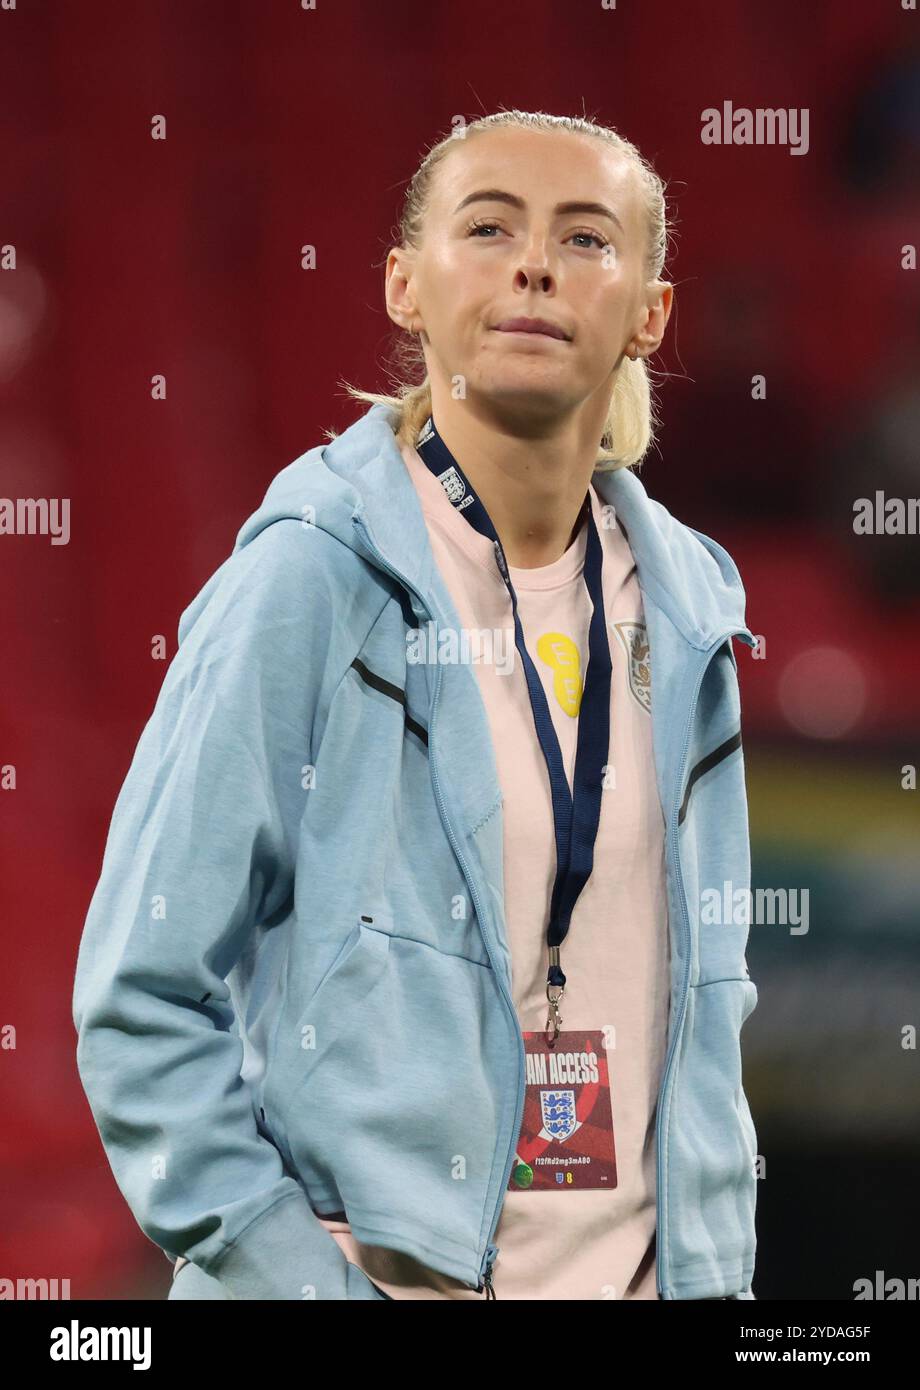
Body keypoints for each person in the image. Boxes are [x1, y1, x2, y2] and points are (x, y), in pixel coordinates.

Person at [72, 109, 759, 1301]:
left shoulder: (691, 608)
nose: (534, 262)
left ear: (649, 314)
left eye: (585, 238)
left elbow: (709, 1009)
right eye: (487, 226)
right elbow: (140, 999)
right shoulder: (307, 580)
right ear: (404, 285)